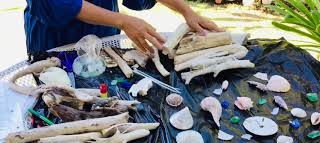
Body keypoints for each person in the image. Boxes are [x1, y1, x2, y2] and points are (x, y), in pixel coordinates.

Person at [25, 0, 224, 60]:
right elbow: (56, 4)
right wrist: (122, 21)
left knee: (107, 99)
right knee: (58, 101)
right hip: (55, 42)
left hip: (105, 41)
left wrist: (186, 11)